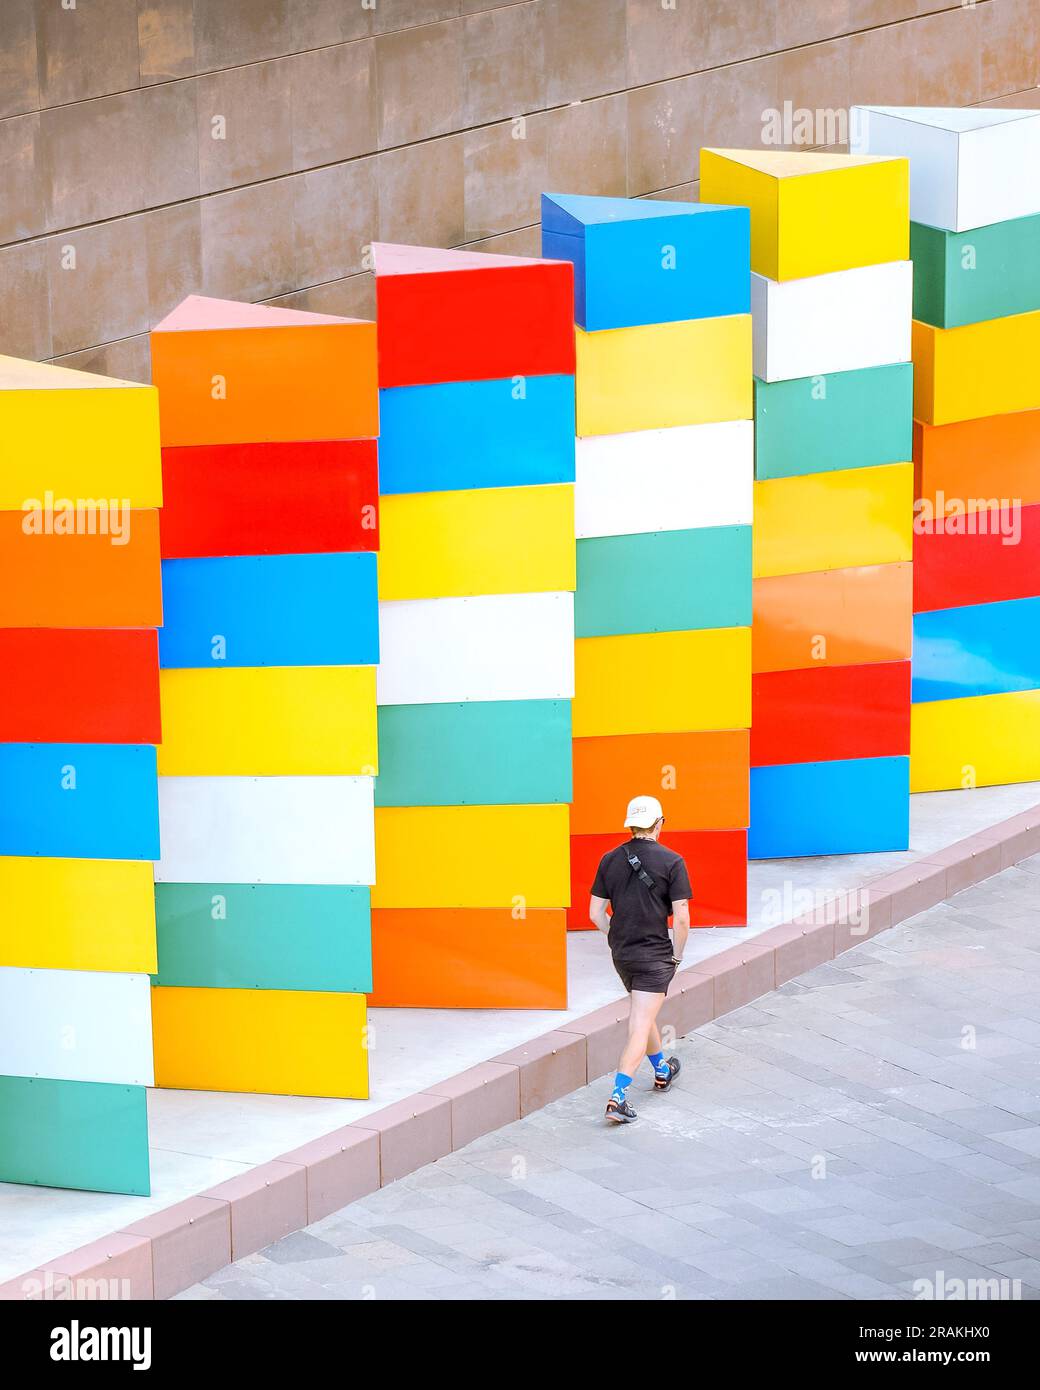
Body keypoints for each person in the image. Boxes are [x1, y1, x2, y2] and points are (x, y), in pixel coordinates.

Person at [589, 794, 691, 1124]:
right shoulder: (672, 861)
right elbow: (682, 918)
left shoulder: (609, 859)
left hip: (623, 955)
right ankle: (618, 1097)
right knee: (639, 1024)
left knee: (642, 1015)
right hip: (654, 956)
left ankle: (662, 1069)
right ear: (659, 823)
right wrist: (676, 956)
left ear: (630, 824)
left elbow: (595, 913)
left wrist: (614, 935)